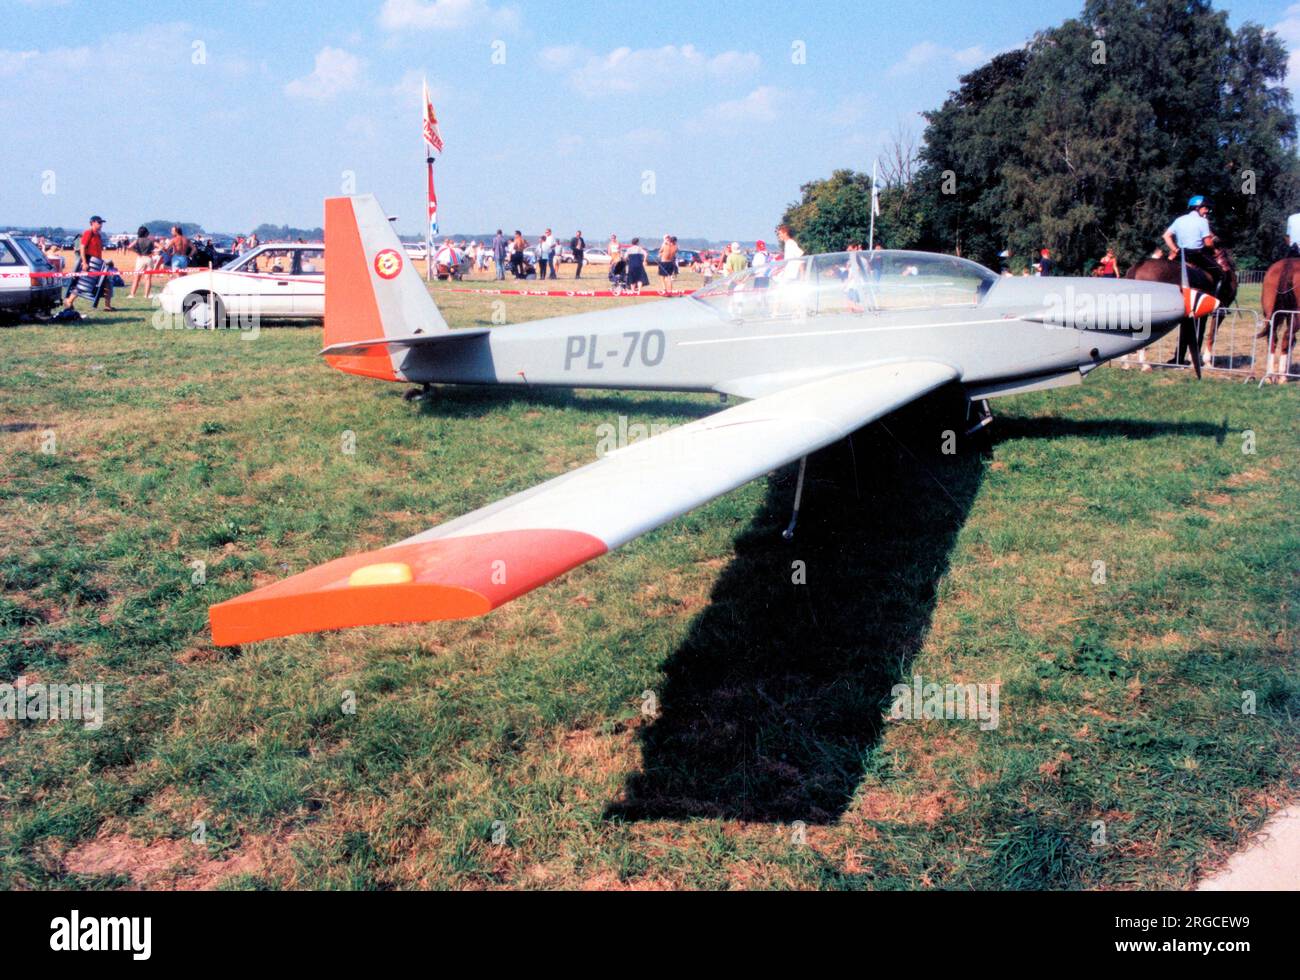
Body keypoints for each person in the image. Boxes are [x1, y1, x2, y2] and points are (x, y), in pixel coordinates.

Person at [1162, 196, 1221, 291]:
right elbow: (1208, 244)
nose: (1207, 211)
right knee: (1219, 273)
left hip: (1181, 255)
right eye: (1205, 208)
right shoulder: (1203, 221)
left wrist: (1175, 250)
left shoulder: (1179, 220)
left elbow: (1166, 236)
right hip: (1197, 256)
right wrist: (1215, 249)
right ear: (1197, 208)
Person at [64, 214, 115, 312]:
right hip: (89, 263)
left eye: (101, 223)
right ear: (92, 223)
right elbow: (82, 247)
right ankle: (69, 301)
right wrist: (84, 262)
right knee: (83, 285)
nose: (101, 225)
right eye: (99, 223)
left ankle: (107, 306)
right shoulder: (88, 233)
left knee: (107, 283)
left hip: (98, 264)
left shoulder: (98, 235)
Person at [128, 226, 158, 299]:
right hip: (149, 258)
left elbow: (129, 247)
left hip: (140, 258)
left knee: (137, 277)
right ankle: (146, 295)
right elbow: (161, 247)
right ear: (146, 233)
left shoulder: (137, 240)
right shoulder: (151, 241)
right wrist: (154, 252)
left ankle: (132, 294)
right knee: (148, 278)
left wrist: (137, 252)